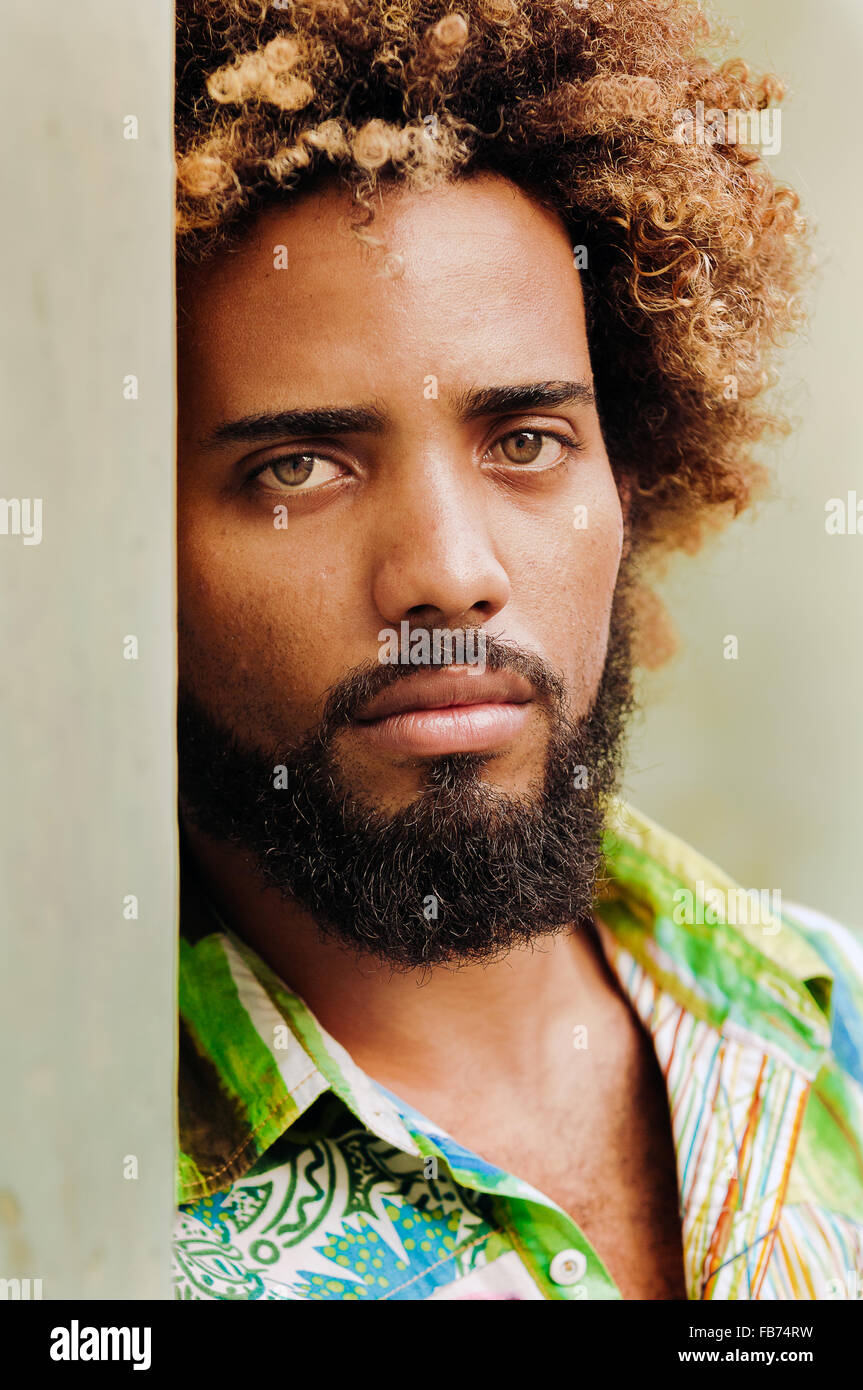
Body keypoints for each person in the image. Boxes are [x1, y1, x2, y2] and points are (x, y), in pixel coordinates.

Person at [172, 0, 863, 1301]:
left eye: (527, 440)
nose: (450, 569)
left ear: (633, 478)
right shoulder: (62, 1203)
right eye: (301, 464)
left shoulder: (834, 1015)